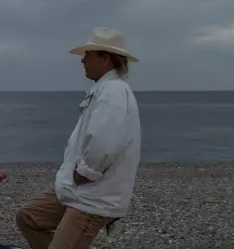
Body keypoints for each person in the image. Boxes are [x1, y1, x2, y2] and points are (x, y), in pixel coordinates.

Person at [15, 27, 142, 249]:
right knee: (29, 218)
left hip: (93, 200)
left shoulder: (113, 92)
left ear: (106, 58)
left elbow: (104, 144)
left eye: (88, 55)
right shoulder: (104, 90)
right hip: (77, 191)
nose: (82, 61)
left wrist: (85, 172)